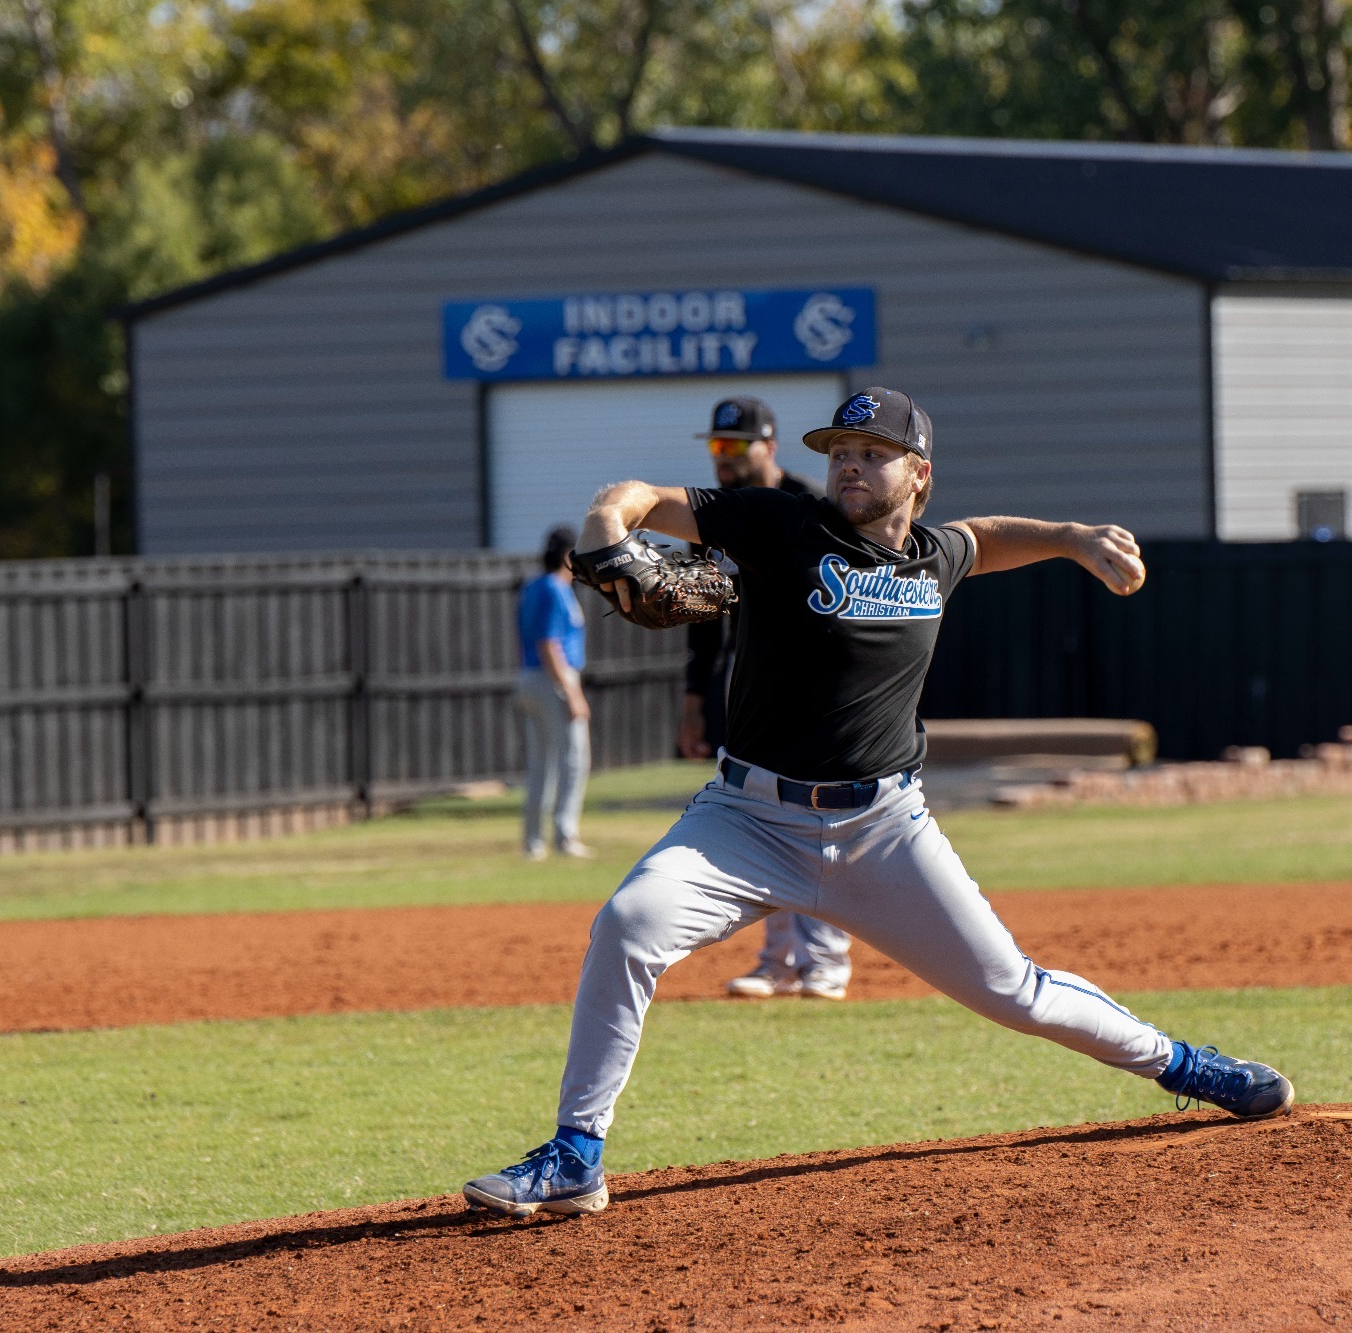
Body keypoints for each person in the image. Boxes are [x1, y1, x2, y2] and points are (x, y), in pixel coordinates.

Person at [463, 387, 1292, 1219]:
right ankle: (577, 1153)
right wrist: (609, 520)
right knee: (627, 924)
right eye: (839, 452)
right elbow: (645, 497)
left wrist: (1074, 539)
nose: (849, 464)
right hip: (746, 819)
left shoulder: (935, 557)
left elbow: (985, 539)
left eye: (871, 451)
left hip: (884, 830)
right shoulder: (780, 524)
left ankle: (1185, 1066)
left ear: (918, 473)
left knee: (1015, 990)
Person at [681, 395, 853, 1003]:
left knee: (817, 825)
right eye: (716, 447)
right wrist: (694, 700)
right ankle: (777, 960)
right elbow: (703, 624)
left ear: (769, 447)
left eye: (735, 446)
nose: (723, 459)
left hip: (816, 692)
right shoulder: (715, 519)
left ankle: (825, 961)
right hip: (748, 693)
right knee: (760, 824)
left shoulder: (812, 506)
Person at [514, 526, 593, 860]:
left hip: (529, 677)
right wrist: (571, 691)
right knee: (573, 759)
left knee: (541, 763)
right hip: (553, 678)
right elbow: (548, 643)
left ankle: (534, 842)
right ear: (567, 556)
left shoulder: (533, 586)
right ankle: (565, 835)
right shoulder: (554, 588)